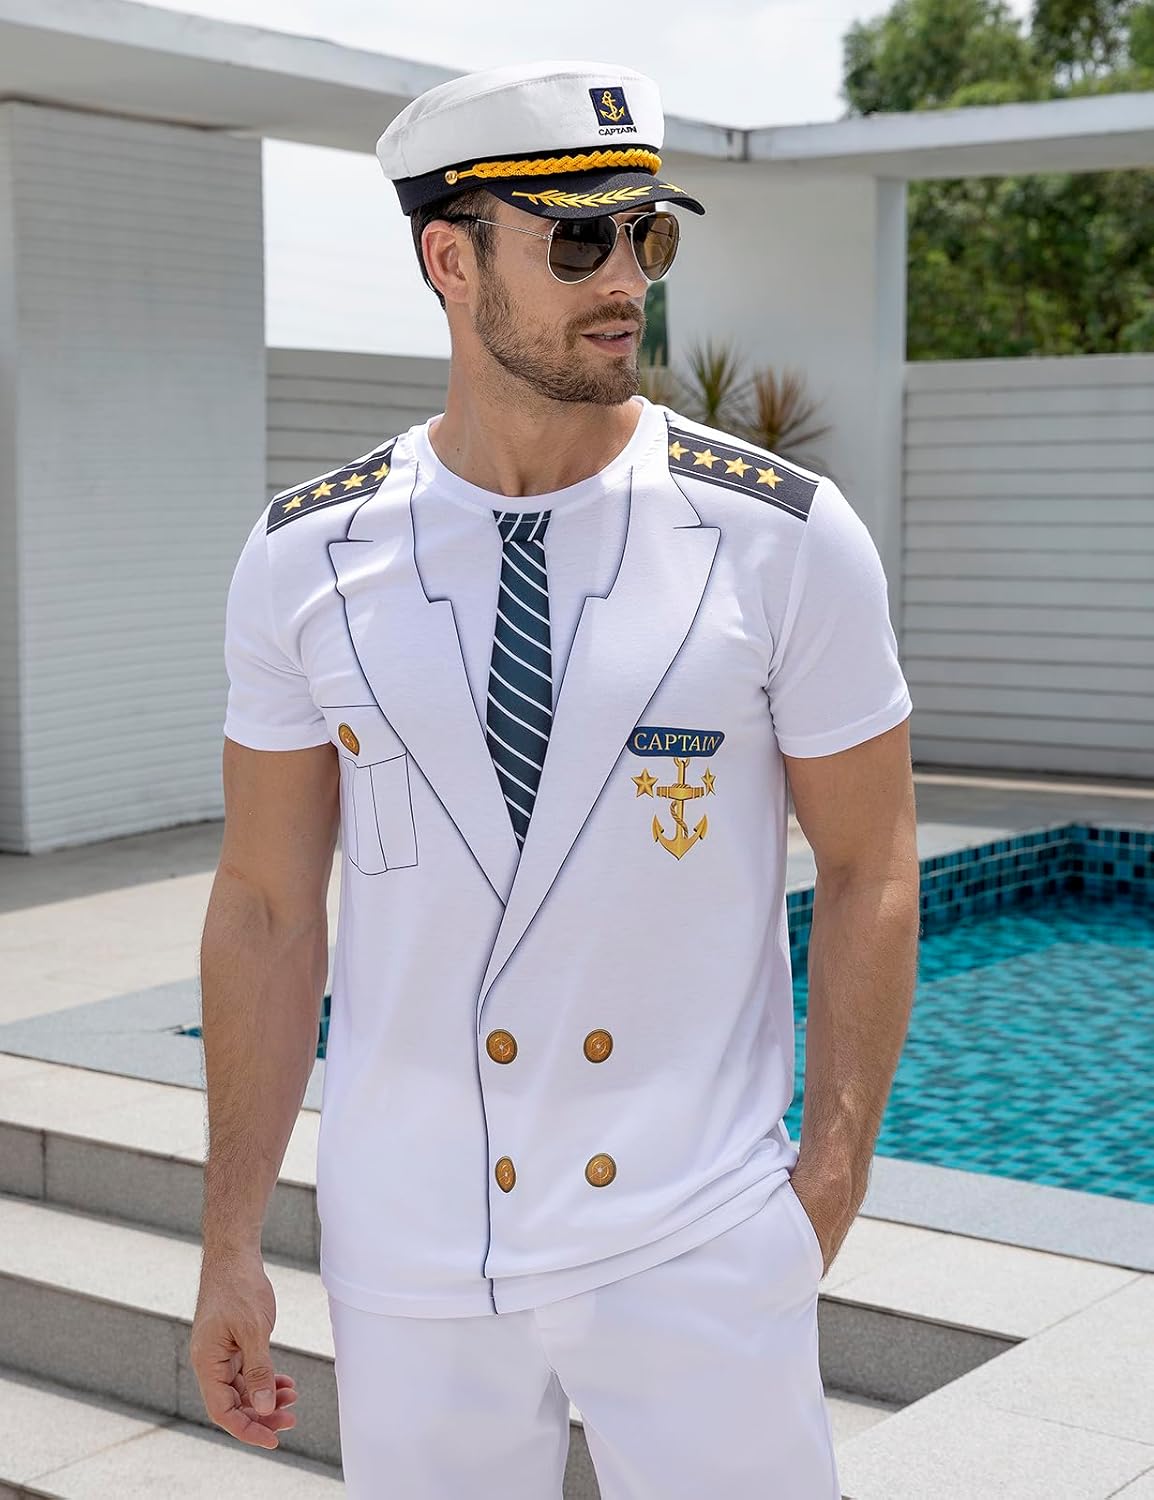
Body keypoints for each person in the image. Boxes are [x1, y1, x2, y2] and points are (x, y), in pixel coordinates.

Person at [191, 57, 920, 1499]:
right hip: (412, 1247)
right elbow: (266, 906)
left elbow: (869, 865)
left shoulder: (780, 536)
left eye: (646, 234)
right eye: (576, 241)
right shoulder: (306, 554)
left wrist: (820, 1192)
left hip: (694, 1230)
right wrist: (228, 1241)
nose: (626, 279)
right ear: (449, 261)